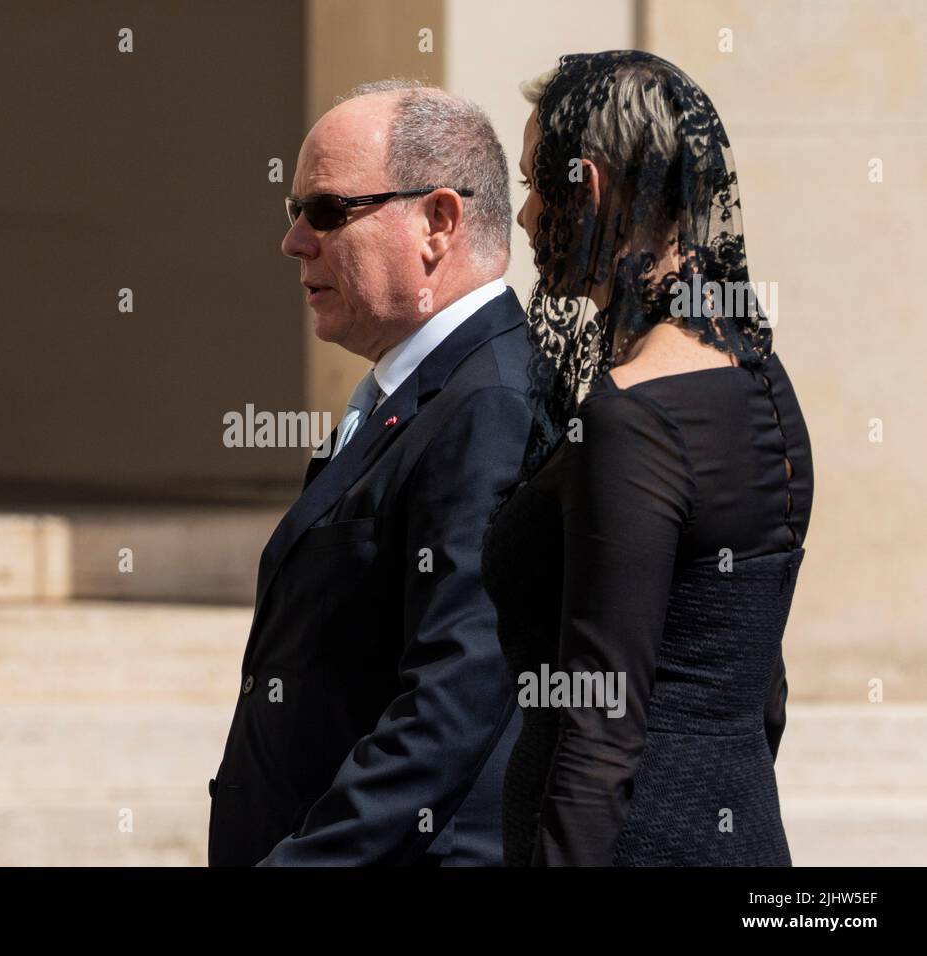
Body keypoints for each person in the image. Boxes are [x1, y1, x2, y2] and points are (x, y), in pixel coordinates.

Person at [481, 51, 814, 866]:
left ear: (586, 187)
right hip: (739, 825)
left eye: (532, 184)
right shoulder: (762, 382)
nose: (524, 218)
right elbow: (759, 686)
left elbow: (599, 724)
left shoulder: (632, 417)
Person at [208, 79, 533, 865]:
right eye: (293, 213)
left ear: (438, 222)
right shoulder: (415, 391)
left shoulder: (488, 405)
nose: (294, 241)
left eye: (325, 211)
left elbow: (450, 704)